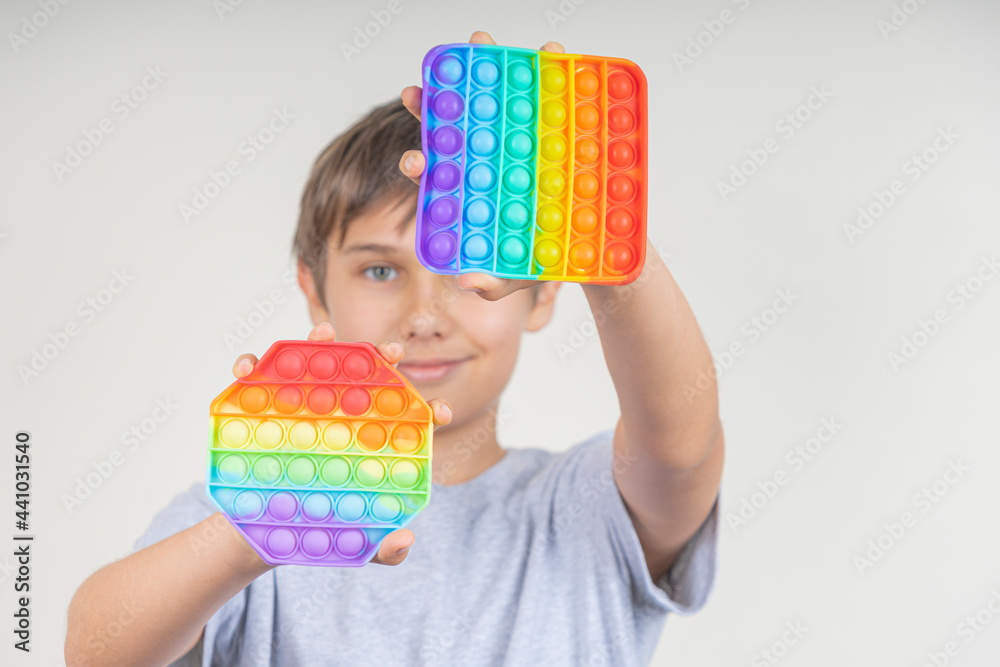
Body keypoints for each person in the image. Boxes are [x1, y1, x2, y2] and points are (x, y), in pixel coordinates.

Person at [65, 31, 723, 666]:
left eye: (464, 274)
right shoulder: (254, 501)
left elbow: (680, 443)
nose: (425, 315)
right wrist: (251, 534)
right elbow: (96, 651)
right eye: (380, 270)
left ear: (542, 295)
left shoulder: (581, 508)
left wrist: (606, 258)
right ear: (315, 292)